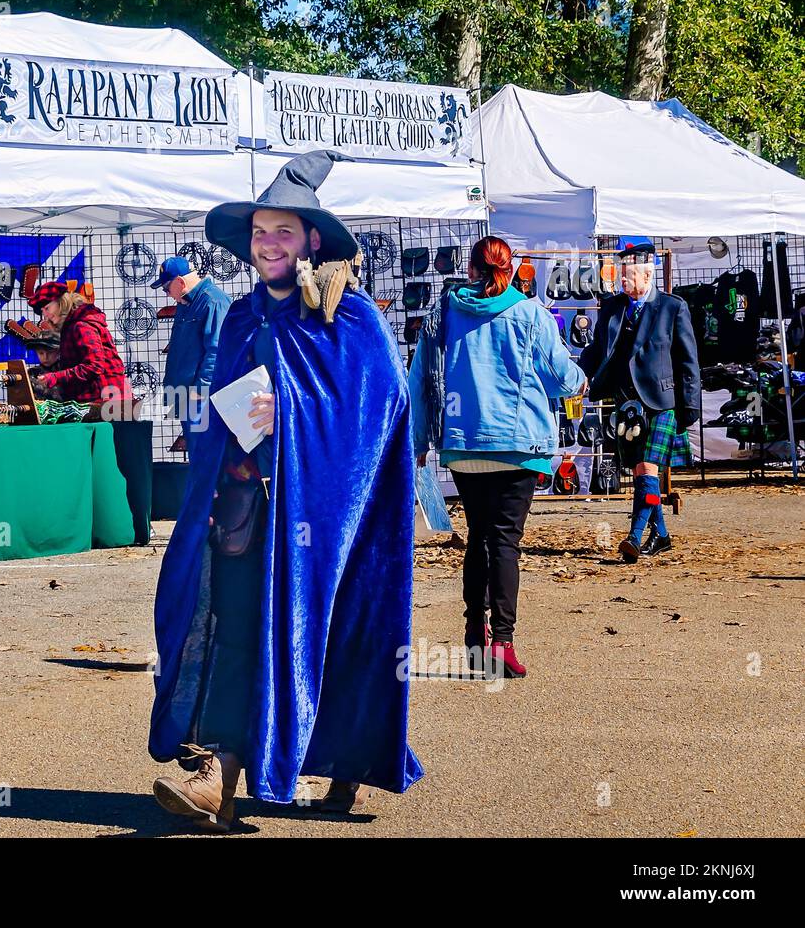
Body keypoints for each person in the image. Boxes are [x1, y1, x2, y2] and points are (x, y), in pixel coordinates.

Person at [147, 150, 421, 832]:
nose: (269, 243)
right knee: (238, 633)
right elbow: (223, 405)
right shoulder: (241, 316)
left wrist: (293, 411)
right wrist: (226, 425)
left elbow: (381, 403)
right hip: (247, 511)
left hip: (327, 520)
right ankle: (220, 778)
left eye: (284, 232)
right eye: (261, 232)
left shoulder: (349, 316)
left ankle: (348, 761)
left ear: (312, 240)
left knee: (336, 636)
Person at [408, 237, 586, 678]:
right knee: (505, 543)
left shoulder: (445, 312)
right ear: (513, 270)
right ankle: (503, 641)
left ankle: (473, 636)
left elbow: (421, 378)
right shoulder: (530, 314)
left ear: (470, 269)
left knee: (477, 537)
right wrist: (581, 381)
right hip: (517, 445)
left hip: (465, 444)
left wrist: (419, 441)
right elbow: (561, 376)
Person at [577, 239, 700, 561]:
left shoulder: (673, 307)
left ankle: (633, 537)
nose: (622, 282)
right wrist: (578, 376)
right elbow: (595, 350)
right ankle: (660, 535)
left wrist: (690, 405)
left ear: (647, 277)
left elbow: (688, 360)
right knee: (640, 472)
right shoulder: (612, 307)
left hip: (661, 400)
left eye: (628, 277)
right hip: (626, 402)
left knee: (646, 469)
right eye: (621, 276)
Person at [152, 256, 230, 463]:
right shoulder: (187, 303)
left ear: (180, 282)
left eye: (167, 288)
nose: (167, 294)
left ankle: (213, 494)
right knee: (199, 459)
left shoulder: (213, 301)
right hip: (188, 397)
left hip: (202, 398)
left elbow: (217, 351)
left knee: (208, 459)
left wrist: (200, 389)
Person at [27, 281, 133, 408]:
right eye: (42, 311)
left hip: (107, 400)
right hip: (104, 397)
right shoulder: (72, 324)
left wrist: (55, 377)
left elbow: (94, 366)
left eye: (47, 308)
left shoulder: (81, 325)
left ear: (61, 302)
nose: (45, 314)